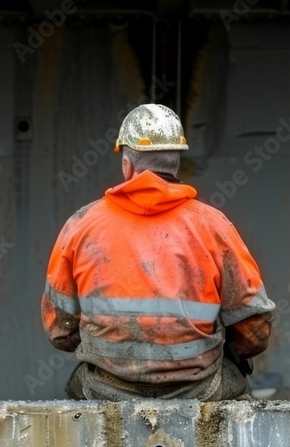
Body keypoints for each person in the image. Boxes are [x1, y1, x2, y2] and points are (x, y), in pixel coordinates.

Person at [42, 103, 275, 400]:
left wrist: (109, 349)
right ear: (174, 163)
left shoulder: (81, 225)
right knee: (240, 394)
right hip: (197, 388)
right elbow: (255, 331)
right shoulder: (213, 226)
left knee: (77, 392)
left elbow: (59, 329)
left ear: (127, 164)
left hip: (107, 387)